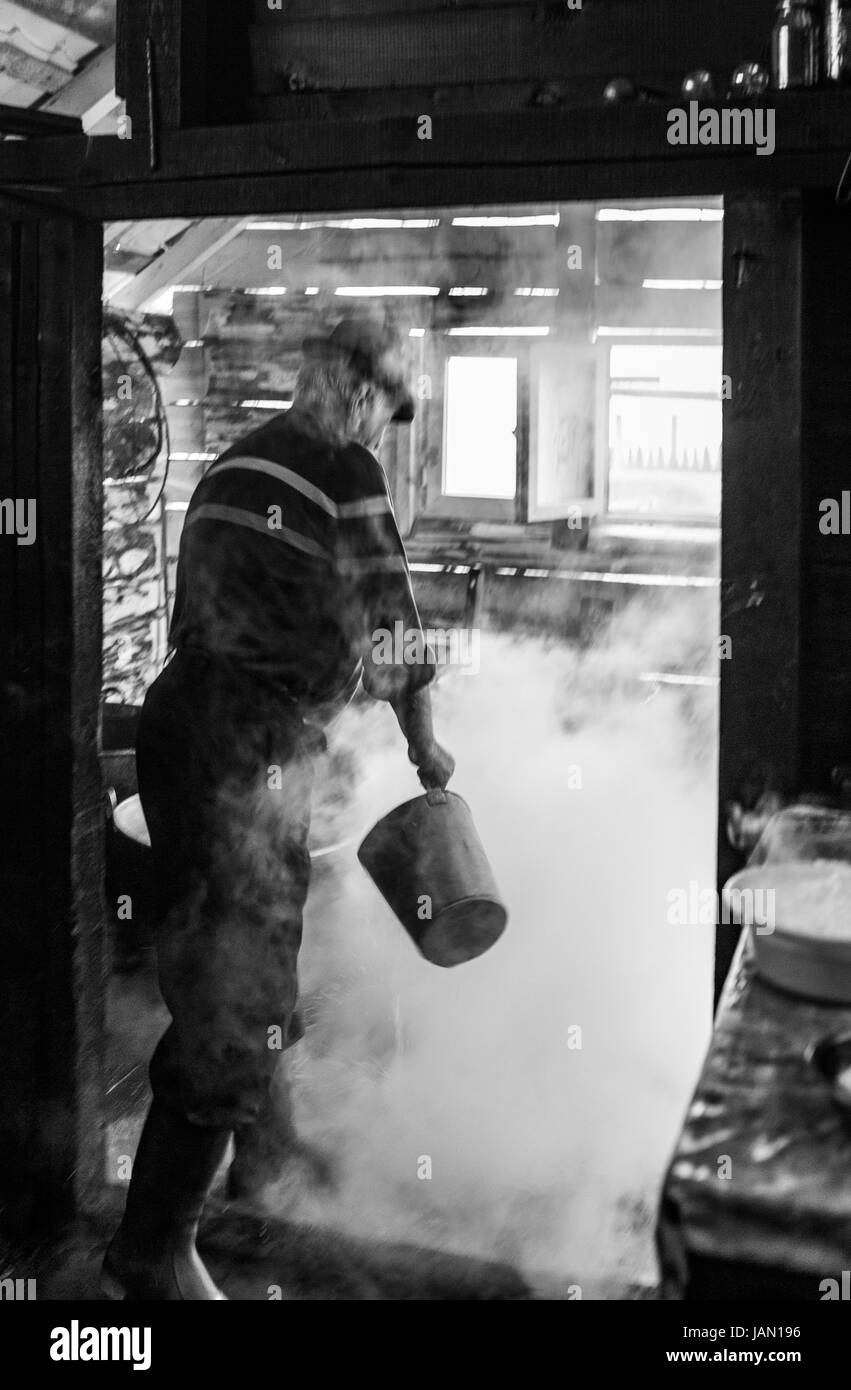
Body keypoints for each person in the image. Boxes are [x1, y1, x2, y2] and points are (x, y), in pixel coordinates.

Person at [101, 315, 455, 1300]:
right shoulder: (342, 468)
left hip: (178, 725)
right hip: (242, 737)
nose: (385, 428)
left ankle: (269, 1160)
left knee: (222, 951)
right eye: (388, 406)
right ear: (354, 386)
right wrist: (426, 745)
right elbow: (391, 627)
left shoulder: (234, 461)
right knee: (240, 981)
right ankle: (151, 1249)